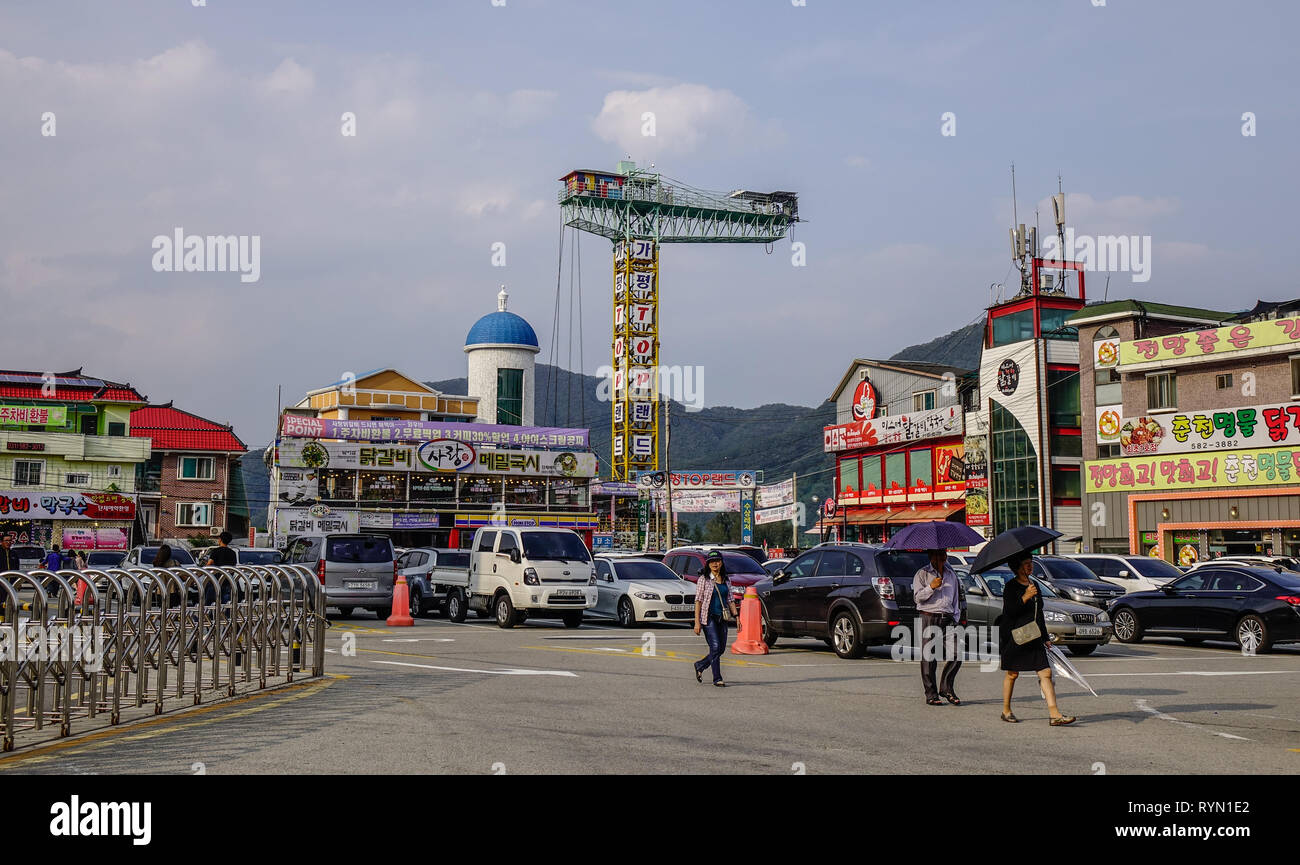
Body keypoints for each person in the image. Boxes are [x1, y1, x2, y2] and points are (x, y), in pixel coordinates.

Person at [998, 551, 1076, 725]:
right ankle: (1006, 710)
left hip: (1034, 635)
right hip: (1015, 636)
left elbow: (1038, 612)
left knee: (1045, 672)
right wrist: (1025, 597)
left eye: (1031, 562)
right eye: (1026, 563)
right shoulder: (1011, 587)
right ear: (1017, 567)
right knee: (1012, 674)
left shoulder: (1035, 585)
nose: (1029, 566)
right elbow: (1009, 612)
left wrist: (1046, 636)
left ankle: (1054, 715)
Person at [913, 547, 963, 706]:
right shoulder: (922, 573)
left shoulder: (951, 574)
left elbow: (956, 597)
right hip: (929, 617)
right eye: (939, 554)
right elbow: (917, 598)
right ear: (931, 556)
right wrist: (931, 587)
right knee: (929, 657)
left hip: (948, 618)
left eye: (944, 553)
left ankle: (946, 688)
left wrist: (956, 616)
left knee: (957, 654)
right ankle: (931, 694)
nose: (943, 557)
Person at [692, 551, 739, 687]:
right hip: (709, 618)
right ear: (707, 564)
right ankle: (717, 678)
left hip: (722, 618)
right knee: (715, 647)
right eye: (712, 561)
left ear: (722, 562)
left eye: (717, 561)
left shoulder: (726, 579)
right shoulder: (704, 579)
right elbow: (698, 601)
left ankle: (700, 665)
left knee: (721, 649)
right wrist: (697, 622)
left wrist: (737, 617)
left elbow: (730, 599)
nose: (715, 564)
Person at [204, 531, 237, 604]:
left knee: (209, 603)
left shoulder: (216, 551)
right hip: (227, 580)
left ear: (220, 539)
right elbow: (233, 566)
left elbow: (209, 564)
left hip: (215, 580)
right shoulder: (232, 553)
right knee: (226, 603)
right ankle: (226, 615)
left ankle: (208, 615)